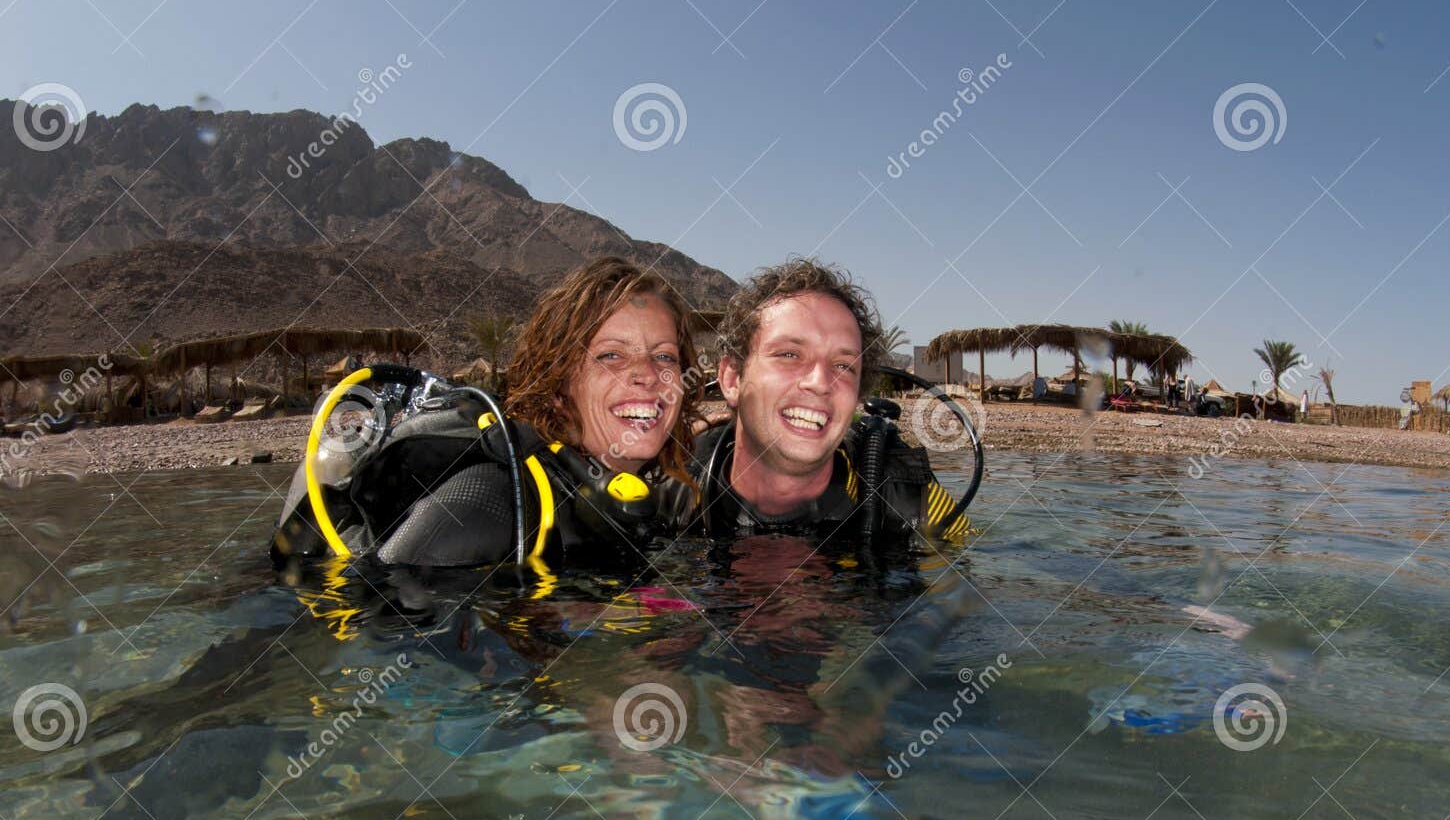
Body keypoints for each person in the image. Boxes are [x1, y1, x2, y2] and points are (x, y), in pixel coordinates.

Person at [270, 257, 698, 570]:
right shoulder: (491, 501)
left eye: (664, 357)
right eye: (611, 355)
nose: (647, 375)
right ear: (557, 388)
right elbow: (383, 638)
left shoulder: (647, 499)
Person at [665, 259, 973, 545]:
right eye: (789, 355)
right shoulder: (668, 491)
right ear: (732, 379)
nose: (821, 382)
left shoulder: (912, 505)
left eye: (843, 366)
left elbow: (963, 595)